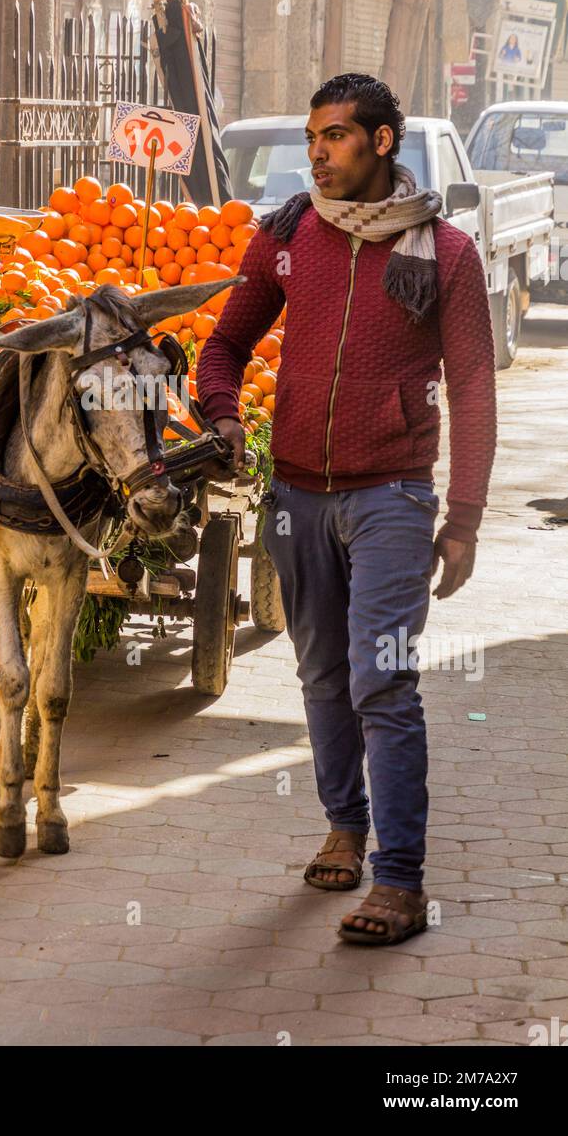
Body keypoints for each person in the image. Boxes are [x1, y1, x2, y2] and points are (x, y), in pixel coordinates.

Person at [197, 73, 497, 945]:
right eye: (312, 137)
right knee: (322, 675)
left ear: (383, 141)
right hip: (294, 492)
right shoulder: (289, 237)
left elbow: (473, 390)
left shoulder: (446, 254)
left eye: (335, 136)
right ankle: (343, 823)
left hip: (394, 497)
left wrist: (465, 518)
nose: (317, 153)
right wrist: (222, 414)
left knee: (383, 680)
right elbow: (223, 345)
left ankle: (399, 880)